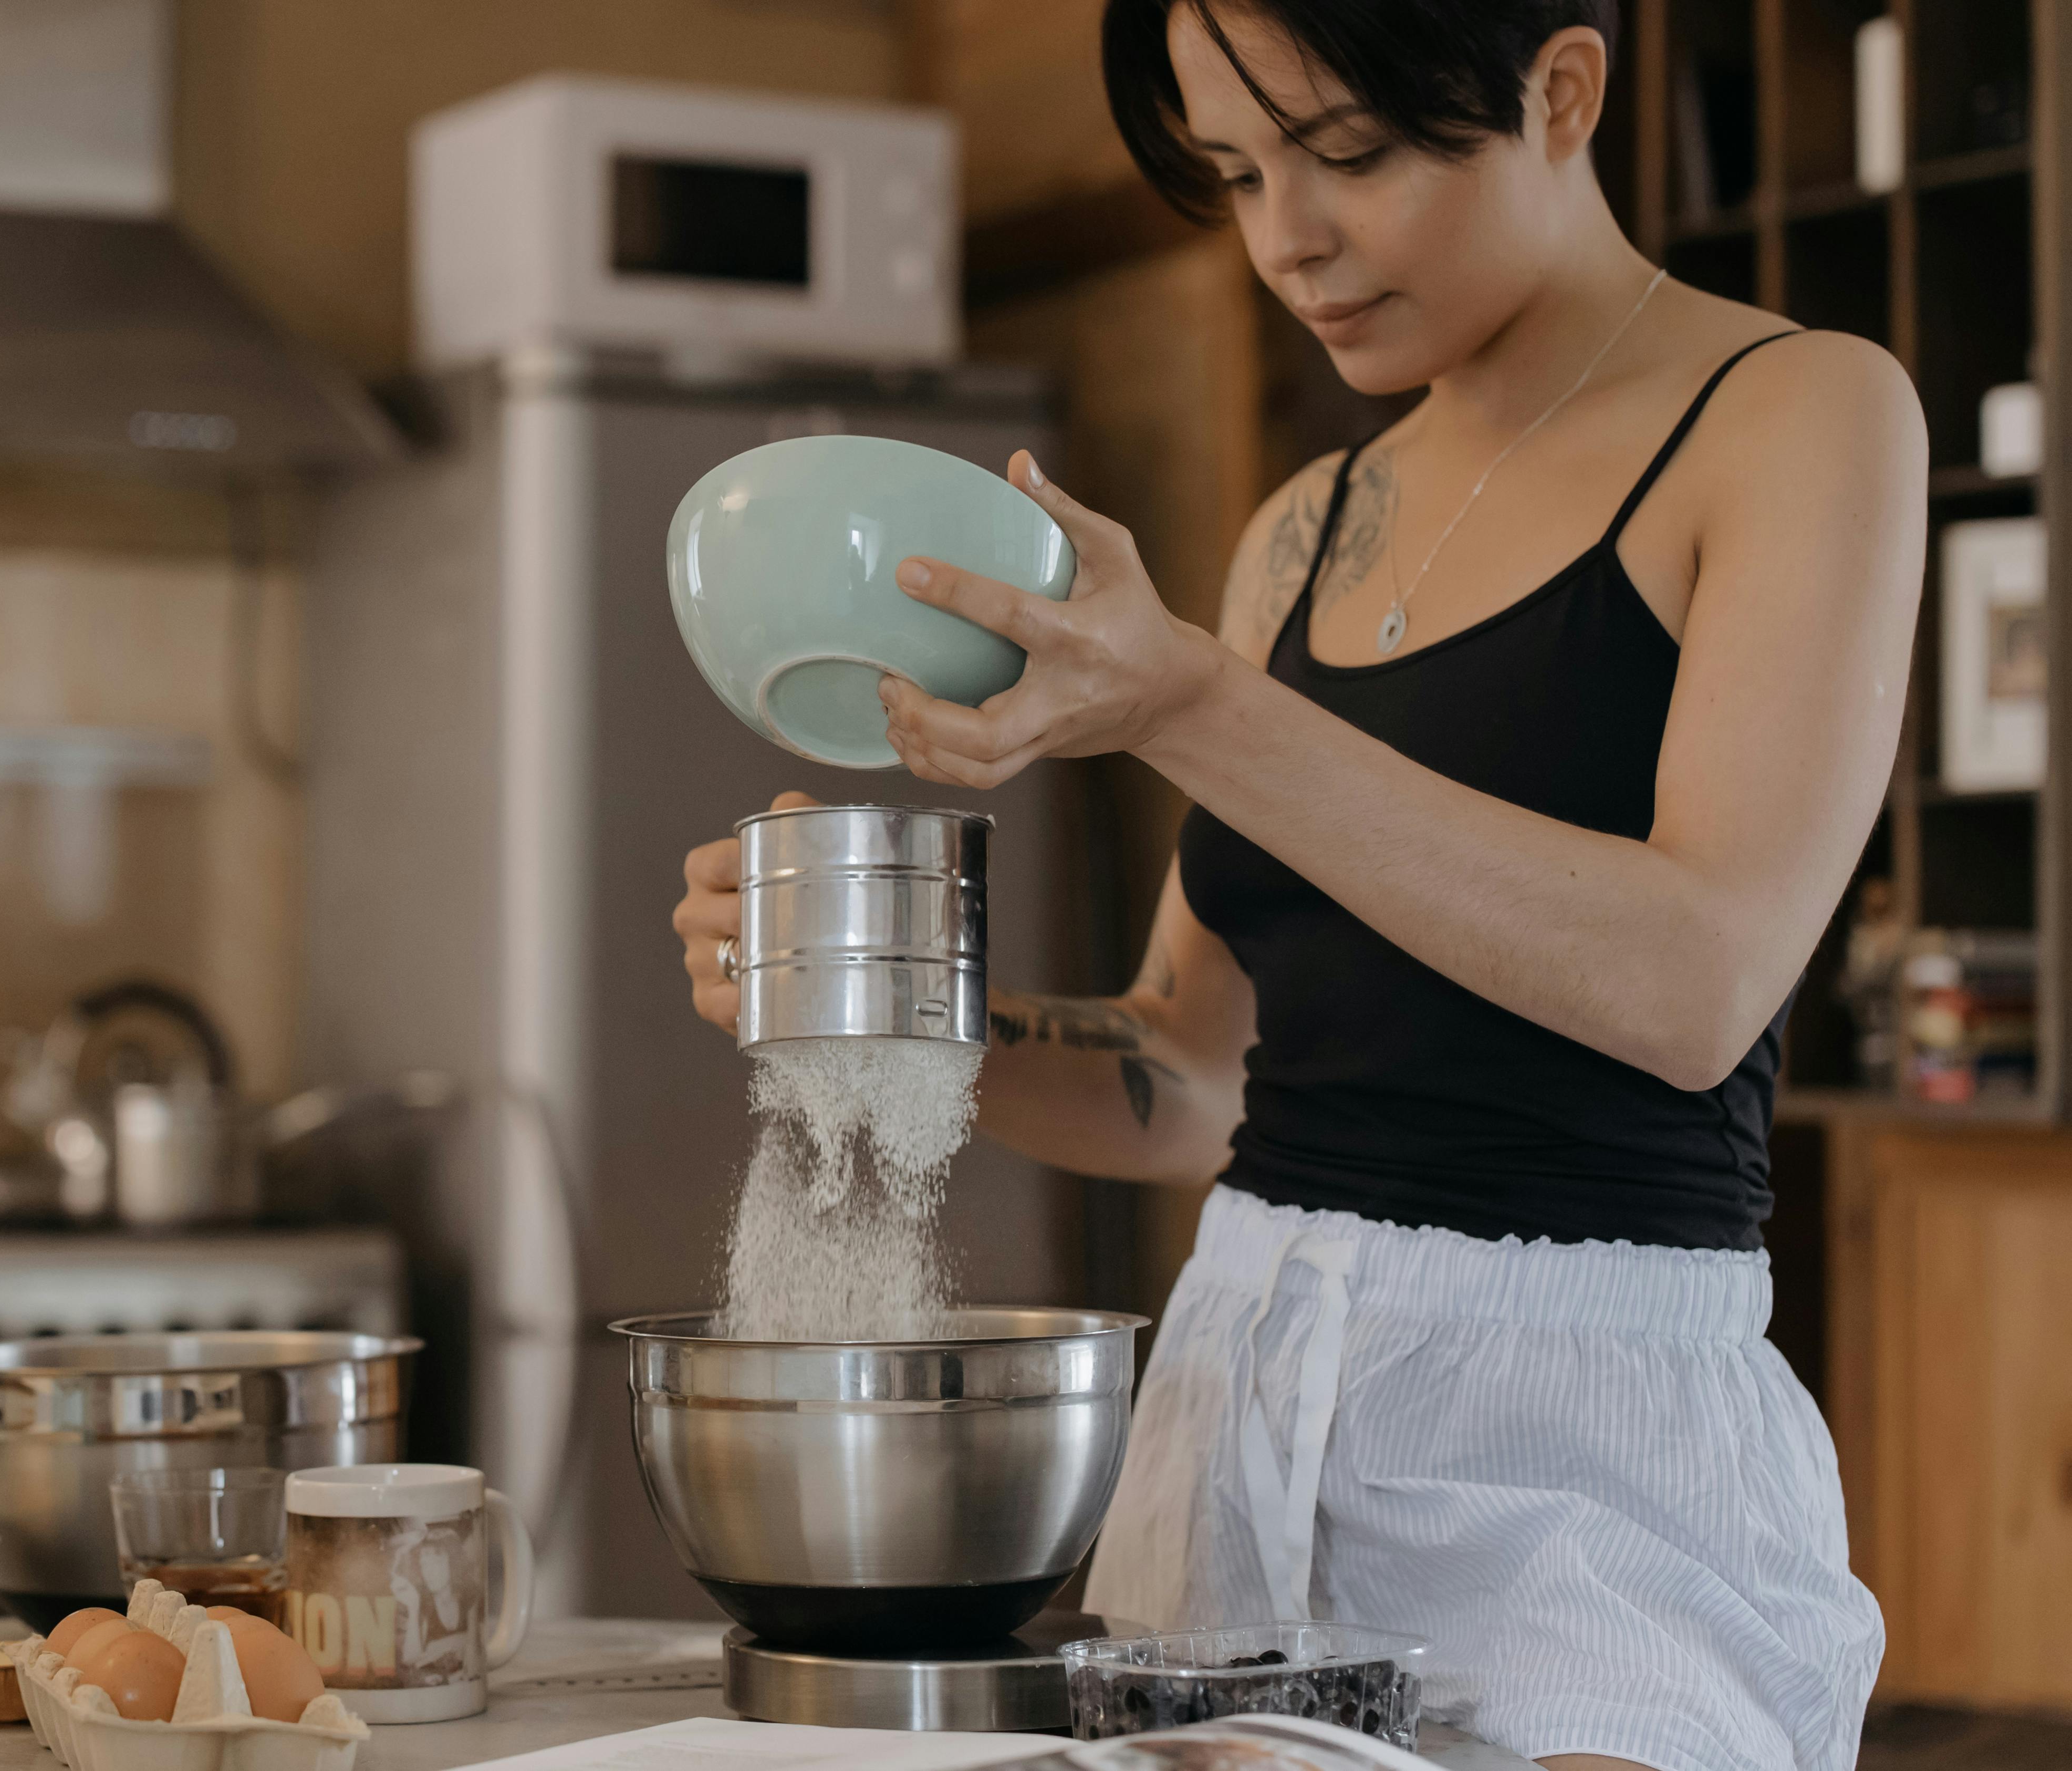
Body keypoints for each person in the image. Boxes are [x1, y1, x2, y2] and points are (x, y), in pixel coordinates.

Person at [671, 4, 1922, 1768]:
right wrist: (870, 995)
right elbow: (1187, 1077)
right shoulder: (1302, 528)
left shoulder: (1797, 413)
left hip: (1586, 1455)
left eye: (1349, 154)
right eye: (1239, 173)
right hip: (1244, 1413)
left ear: (1562, 91)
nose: (1287, 239)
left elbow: (1695, 980)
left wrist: (1193, 699)